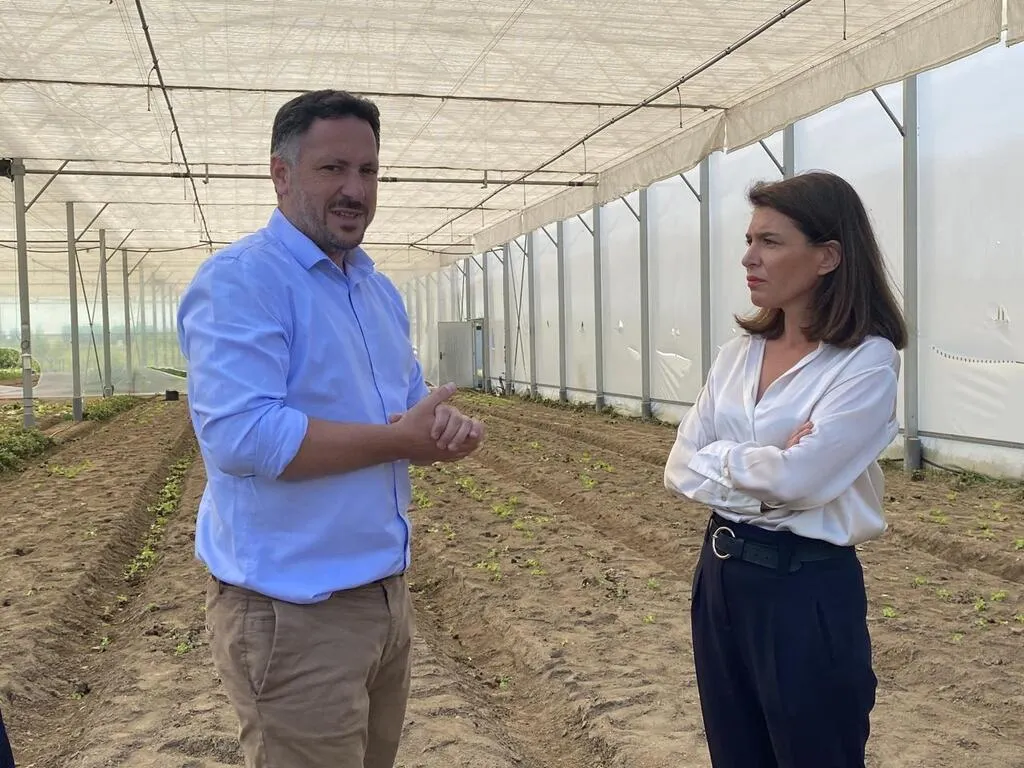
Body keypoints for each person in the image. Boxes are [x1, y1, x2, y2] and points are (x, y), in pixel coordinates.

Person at [177, 89, 485, 768]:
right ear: (280, 174)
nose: (356, 189)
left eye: (369, 171)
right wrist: (399, 441)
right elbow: (243, 437)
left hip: (382, 600)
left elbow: (406, 407)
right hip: (293, 615)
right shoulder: (242, 282)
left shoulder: (373, 288)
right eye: (333, 169)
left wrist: (442, 429)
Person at [664, 170, 907, 768]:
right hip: (720, 579)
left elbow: (802, 482)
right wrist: (767, 467)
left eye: (771, 241)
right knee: (736, 752)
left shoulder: (865, 363)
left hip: (805, 592)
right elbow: (678, 467)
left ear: (827, 256)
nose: (750, 257)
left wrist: (729, 463)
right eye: (750, 240)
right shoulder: (738, 354)